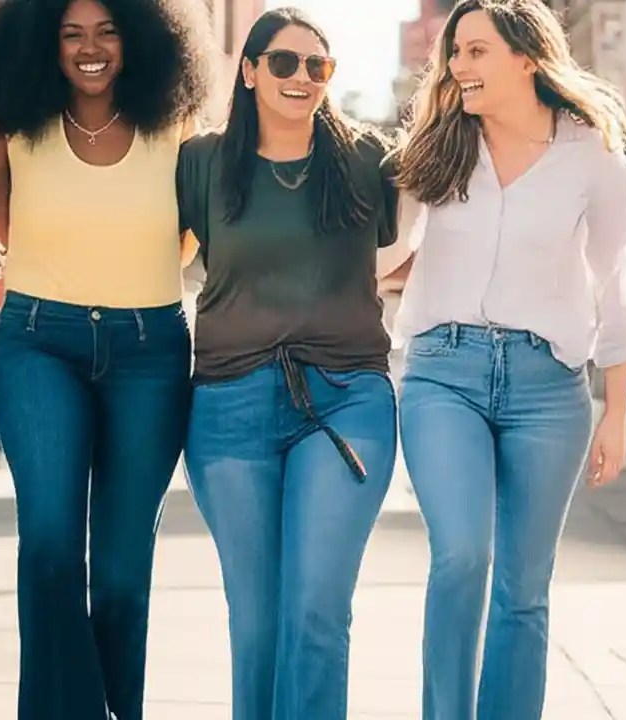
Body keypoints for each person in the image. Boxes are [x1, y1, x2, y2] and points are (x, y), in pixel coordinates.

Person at [393, 1, 626, 718]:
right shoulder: (439, 144)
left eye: (475, 51)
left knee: (524, 591)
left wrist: (616, 414)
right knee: (461, 557)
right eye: (454, 52)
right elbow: (389, 250)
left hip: (549, 389)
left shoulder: (594, 157)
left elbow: (620, 293)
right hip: (444, 374)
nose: (457, 66)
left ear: (527, 59)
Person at [0, 0, 210, 717]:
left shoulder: (177, 131)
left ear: (139, 40)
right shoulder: (16, 129)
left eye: (107, 31)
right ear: (45, 44)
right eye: (71, 34)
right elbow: (1, 222)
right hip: (41, 344)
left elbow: (192, 238)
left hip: (150, 354)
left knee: (121, 577)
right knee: (48, 549)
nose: (90, 48)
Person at [177, 8, 408, 719]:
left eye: (318, 66)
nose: (302, 77)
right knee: (256, 623)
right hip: (227, 408)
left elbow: (420, 248)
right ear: (248, 72)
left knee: (315, 609)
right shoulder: (202, 164)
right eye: (284, 62)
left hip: (345, 403)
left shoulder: (369, 163)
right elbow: (151, 264)